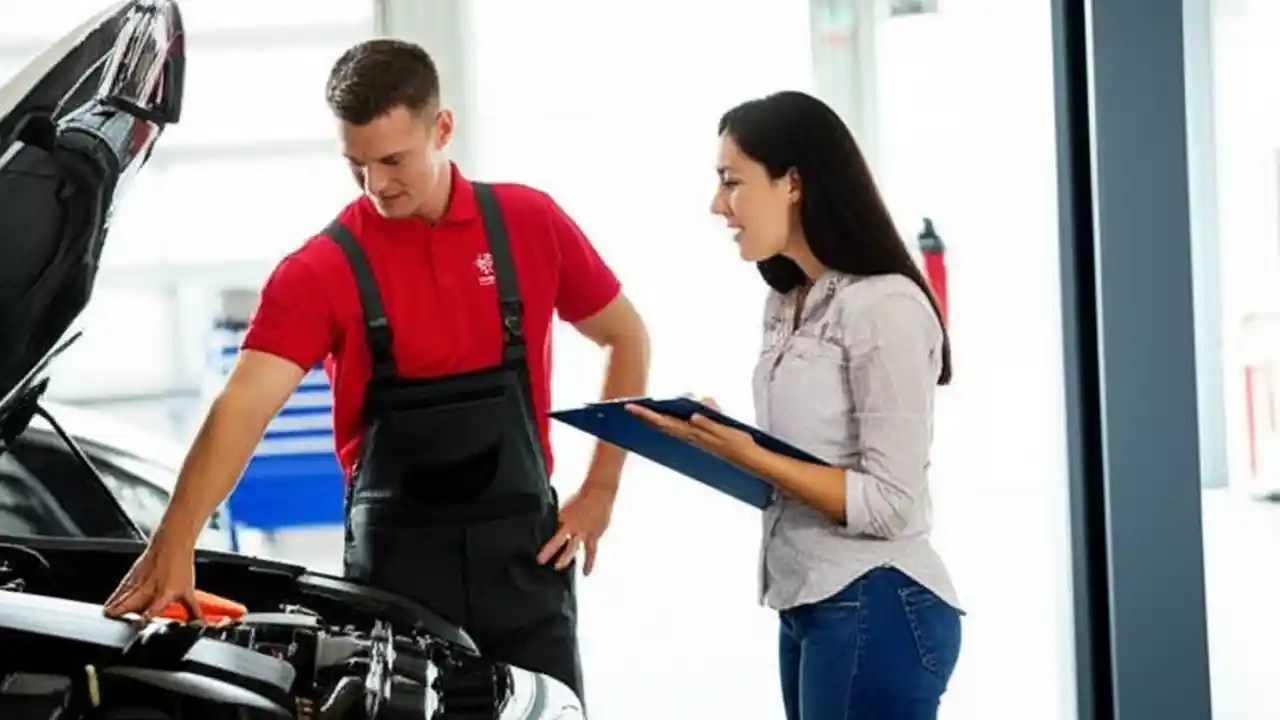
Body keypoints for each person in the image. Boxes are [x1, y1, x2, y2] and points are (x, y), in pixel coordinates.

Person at [101, 38, 650, 701]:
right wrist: (175, 538)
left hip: (525, 564)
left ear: (441, 128)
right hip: (398, 578)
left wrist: (601, 491)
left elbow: (625, 335)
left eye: (394, 160)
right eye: (356, 165)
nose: (376, 185)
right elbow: (242, 407)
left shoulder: (528, 223)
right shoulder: (321, 270)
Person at [627, 90, 962, 719]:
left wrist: (750, 453)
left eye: (732, 182)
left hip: (876, 600)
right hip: (812, 601)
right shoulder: (789, 302)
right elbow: (808, 468)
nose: (718, 205)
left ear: (794, 183)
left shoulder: (883, 307)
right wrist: (713, 440)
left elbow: (891, 504)